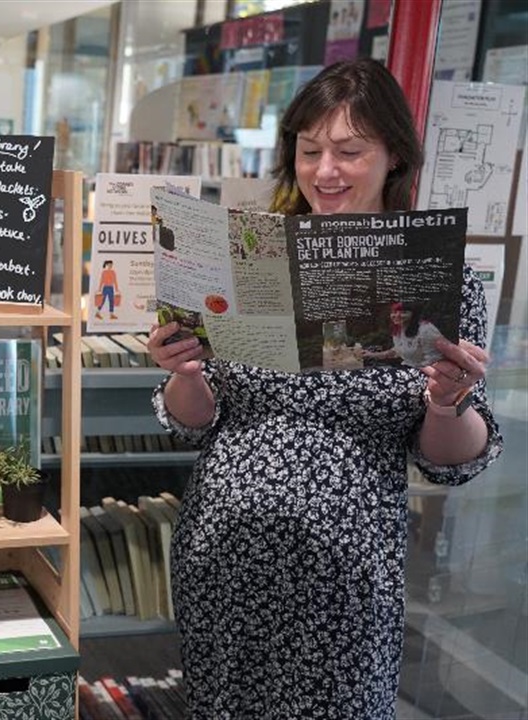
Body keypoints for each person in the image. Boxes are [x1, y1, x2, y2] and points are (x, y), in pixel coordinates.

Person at [145, 58, 502, 720]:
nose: (324, 171)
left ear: (394, 154)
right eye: (309, 151)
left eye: (348, 152)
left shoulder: (442, 282)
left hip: (350, 563)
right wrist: (184, 374)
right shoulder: (247, 257)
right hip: (226, 549)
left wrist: (447, 401)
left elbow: (451, 457)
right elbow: (193, 421)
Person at [365, 301, 446, 367]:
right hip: (407, 368)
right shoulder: (399, 330)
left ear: (414, 314)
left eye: (403, 312)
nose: (397, 315)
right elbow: (396, 351)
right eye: (394, 312)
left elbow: (435, 359)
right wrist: (370, 355)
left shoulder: (426, 330)